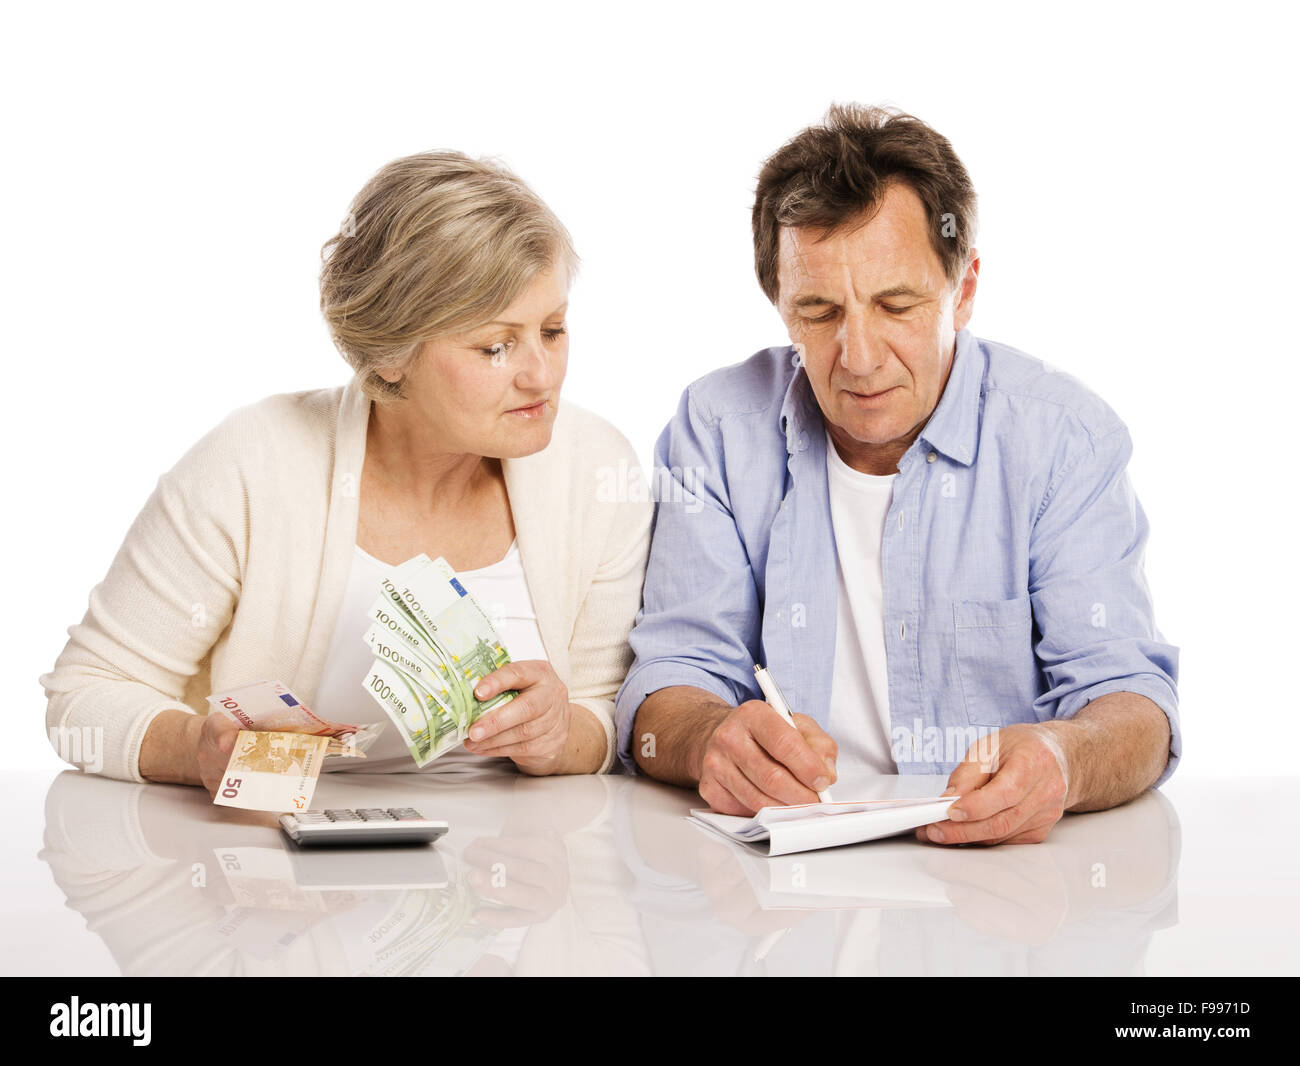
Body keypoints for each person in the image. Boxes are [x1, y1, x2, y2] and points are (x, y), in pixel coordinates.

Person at [616, 104, 1180, 845]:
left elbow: (1132, 703)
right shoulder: (717, 429)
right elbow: (670, 679)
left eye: (897, 305)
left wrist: (1062, 758)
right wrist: (709, 738)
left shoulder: (1063, 440)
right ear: (780, 307)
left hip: (1000, 888)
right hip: (780, 882)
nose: (858, 355)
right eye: (818, 311)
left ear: (964, 287)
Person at [42, 151, 651, 790]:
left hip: (526, 872)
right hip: (288, 869)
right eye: (495, 346)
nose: (542, 375)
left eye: (553, 331)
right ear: (391, 354)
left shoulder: (597, 469)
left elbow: (612, 714)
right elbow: (83, 694)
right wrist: (198, 749)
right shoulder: (255, 460)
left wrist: (564, 735)